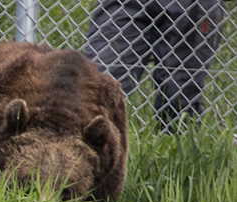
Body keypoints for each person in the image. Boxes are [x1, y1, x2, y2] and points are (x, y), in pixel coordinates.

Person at [84, 0, 226, 130]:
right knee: (95, 91)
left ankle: (174, 154)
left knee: (180, 99)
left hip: (191, 4)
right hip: (125, 4)